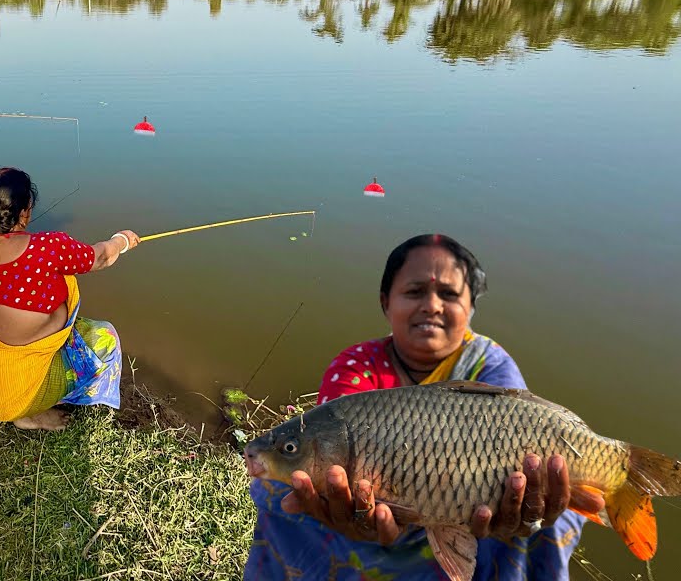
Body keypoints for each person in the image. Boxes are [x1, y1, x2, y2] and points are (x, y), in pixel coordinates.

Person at [243, 233, 604, 580]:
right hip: (374, 517)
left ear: (471, 307)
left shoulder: (492, 366)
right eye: (415, 291)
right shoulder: (355, 367)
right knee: (282, 491)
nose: (431, 305)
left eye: (448, 294)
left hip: (480, 510)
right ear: (386, 302)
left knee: (554, 515)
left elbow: (528, 442)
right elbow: (333, 481)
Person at [0, 168, 140, 456]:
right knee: (104, 336)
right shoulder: (49, 248)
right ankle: (31, 413)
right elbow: (101, 255)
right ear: (25, 212)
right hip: (17, 400)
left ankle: (23, 402)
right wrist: (122, 239)